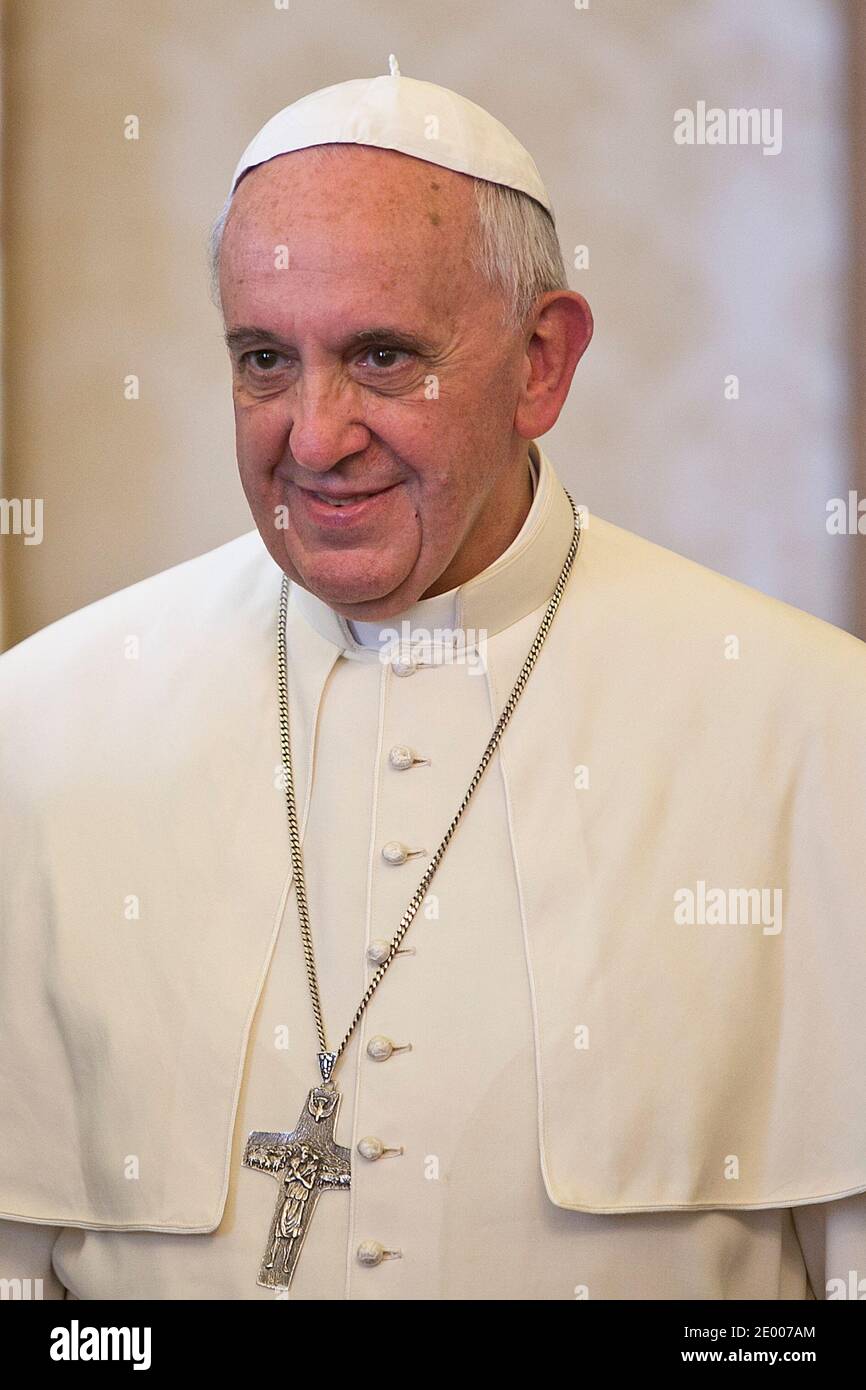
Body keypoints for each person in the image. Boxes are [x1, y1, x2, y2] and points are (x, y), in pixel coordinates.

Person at [2, 61, 865, 1301]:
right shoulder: (37, 729)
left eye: (383, 358)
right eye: (261, 359)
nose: (311, 435)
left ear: (539, 364)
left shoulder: (809, 734)